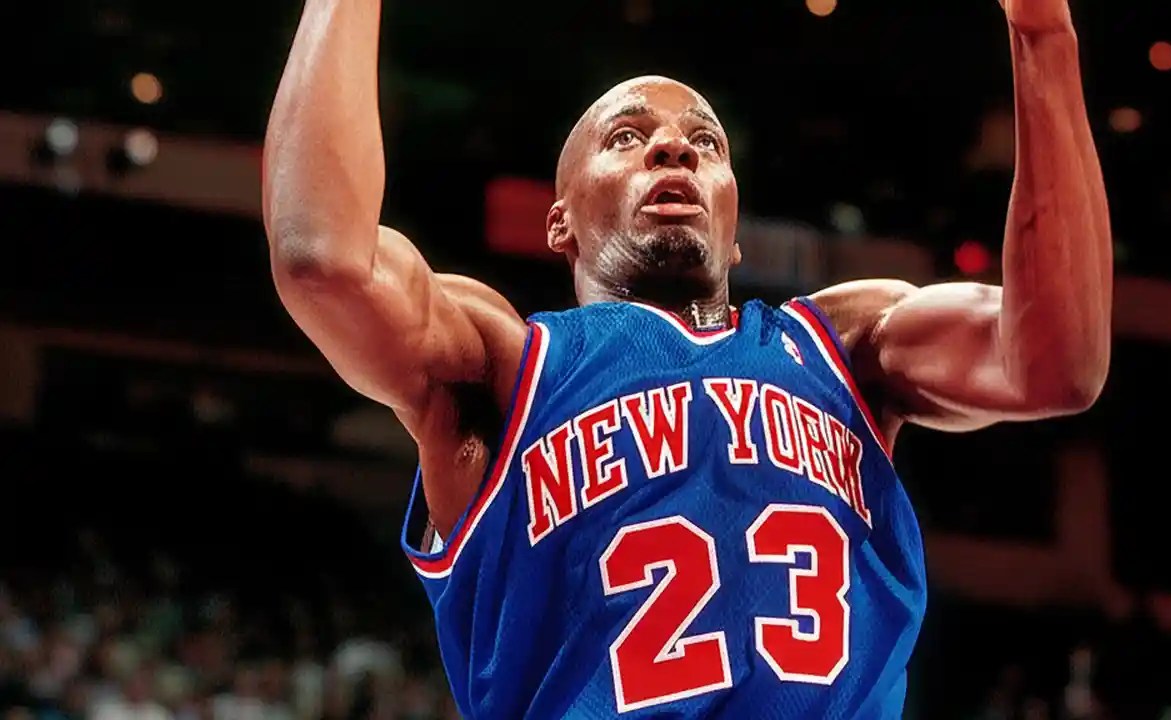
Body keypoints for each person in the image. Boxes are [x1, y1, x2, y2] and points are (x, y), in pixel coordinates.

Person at [262, 0, 1112, 716]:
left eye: (705, 144)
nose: (674, 150)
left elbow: (1054, 363)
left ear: (735, 230)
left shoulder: (847, 346)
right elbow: (324, 262)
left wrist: (1043, 31)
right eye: (627, 137)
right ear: (560, 222)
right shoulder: (504, 365)